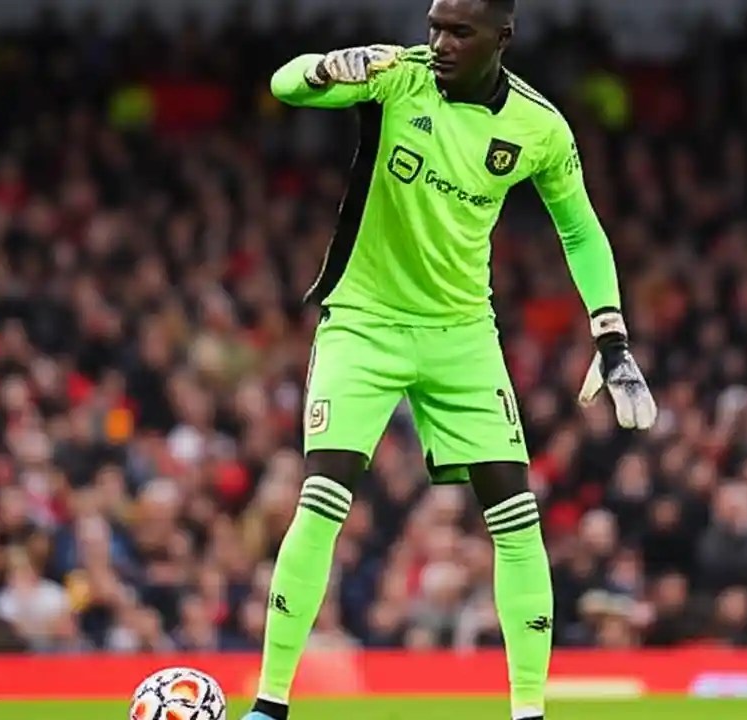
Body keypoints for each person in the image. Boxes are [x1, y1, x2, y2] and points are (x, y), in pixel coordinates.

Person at [246, 0, 656, 718]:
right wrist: (323, 67)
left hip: (463, 333)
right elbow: (285, 86)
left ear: (504, 37)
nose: (439, 41)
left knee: (517, 517)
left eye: (459, 31)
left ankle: (528, 711)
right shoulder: (396, 76)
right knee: (320, 499)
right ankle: (270, 705)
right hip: (364, 323)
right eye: (435, 25)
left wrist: (612, 338)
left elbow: (582, 230)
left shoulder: (539, 127)